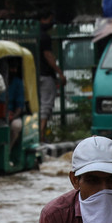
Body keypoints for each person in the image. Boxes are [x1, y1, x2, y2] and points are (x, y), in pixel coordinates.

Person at [37, 11, 66, 141]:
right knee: (45, 106)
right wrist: (59, 72)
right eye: (49, 20)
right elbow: (48, 55)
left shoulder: (32, 36)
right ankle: (40, 135)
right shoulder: (44, 37)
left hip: (33, 76)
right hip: (45, 76)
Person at [6, 59, 27, 159]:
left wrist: (12, 116)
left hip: (13, 116)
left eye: (15, 68)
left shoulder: (18, 83)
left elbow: (20, 106)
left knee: (16, 126)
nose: (13, 71)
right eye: (11, 68)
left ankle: (8, 151)